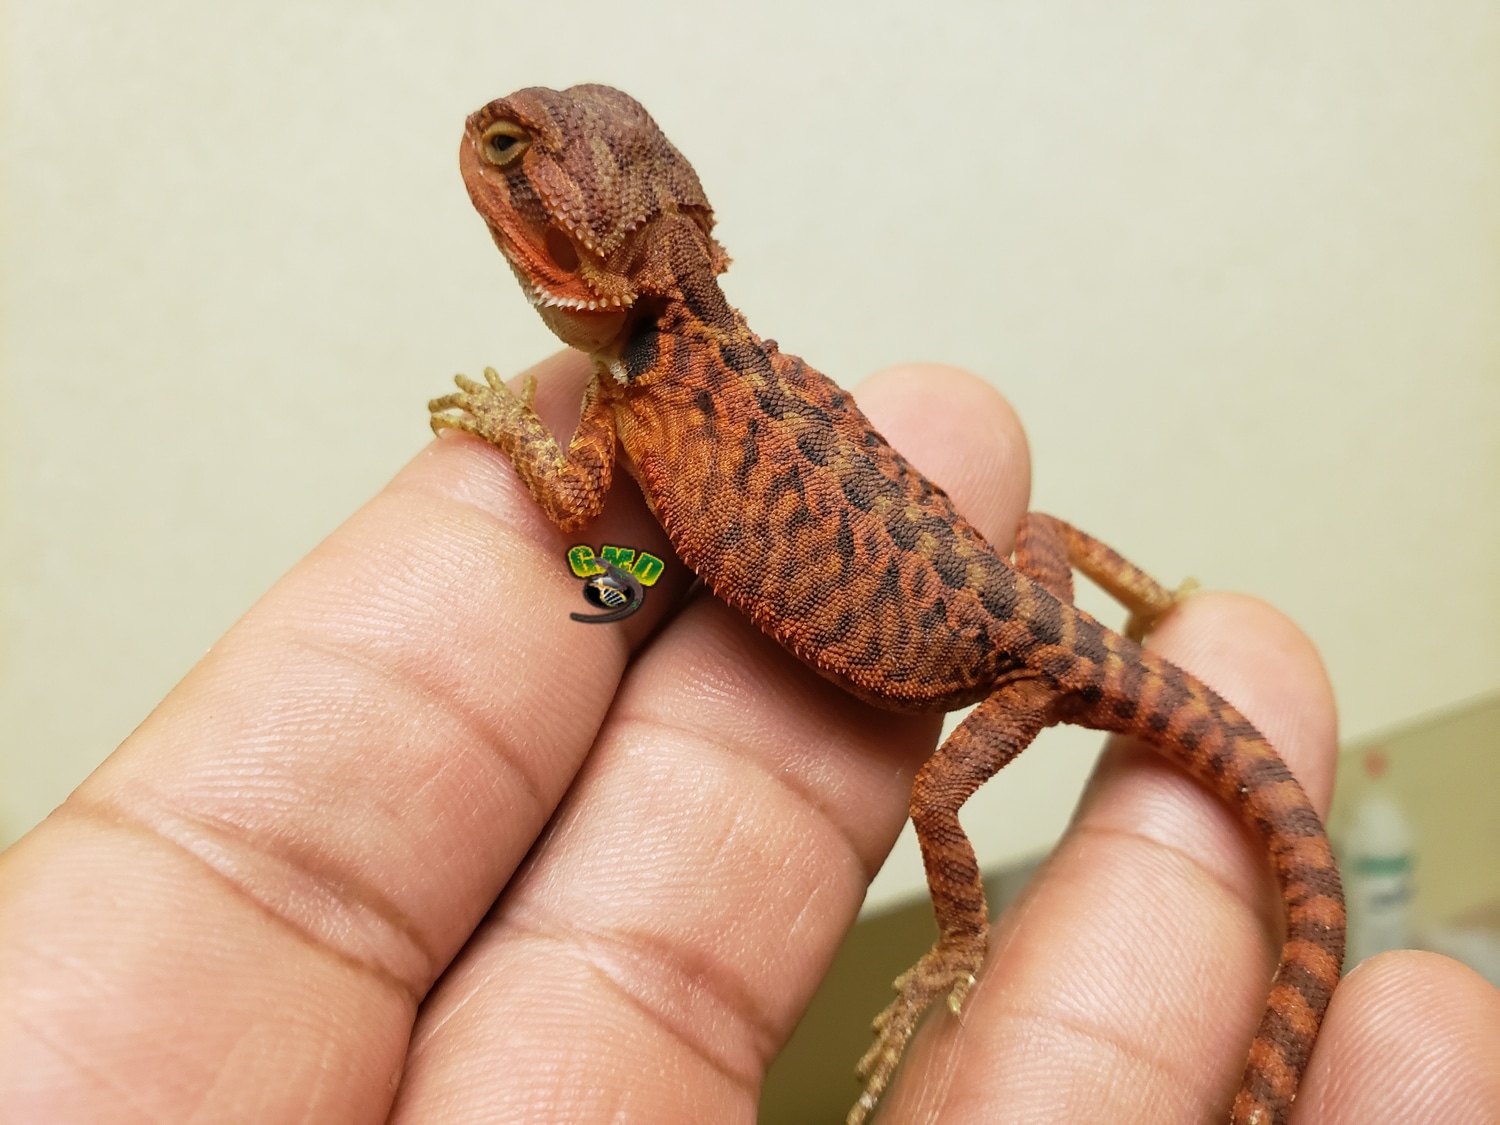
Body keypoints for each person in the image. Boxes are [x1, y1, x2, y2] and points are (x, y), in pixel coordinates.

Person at [1, 355, 1494, 1122]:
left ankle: (960, 947)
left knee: (934, 786)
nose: (499, 175)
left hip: (1019, 658)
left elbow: (586, 525)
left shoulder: (650, 402)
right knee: (1019, 530)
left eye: (522, 161)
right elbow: (618, 572)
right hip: (1034, 604)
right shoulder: (672, 381)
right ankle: (1152, 593)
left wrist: (506, 432)